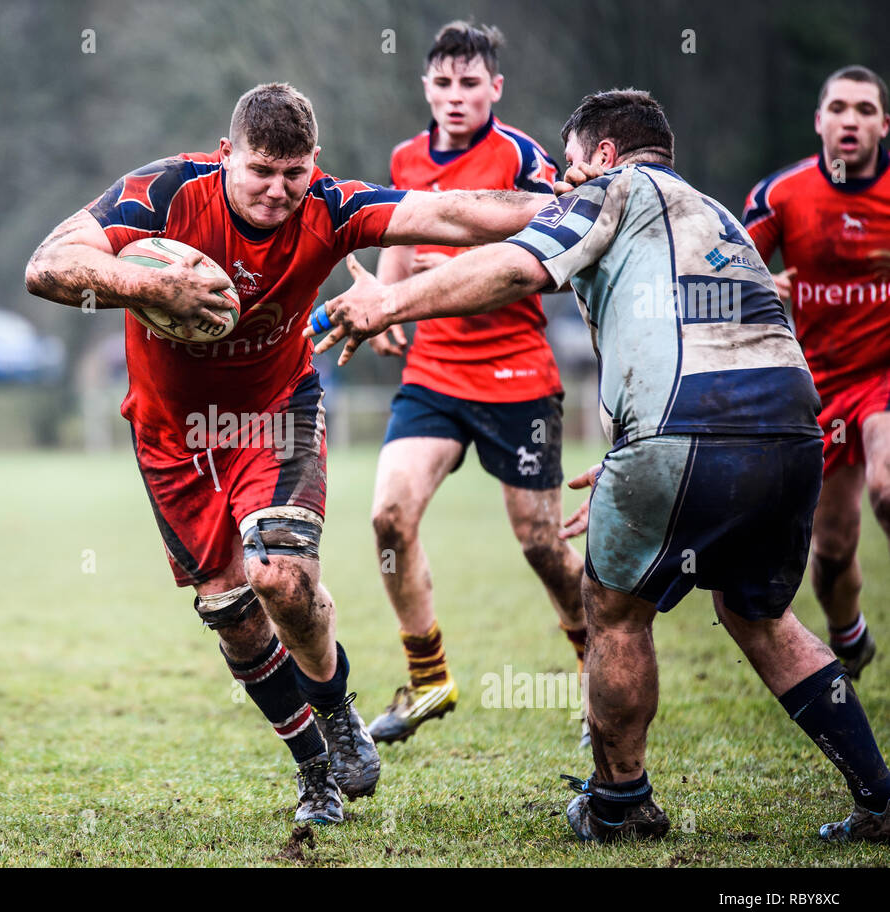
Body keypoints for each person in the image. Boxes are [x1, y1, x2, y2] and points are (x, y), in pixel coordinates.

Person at [311, 89, 890, 843]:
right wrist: (635, 459)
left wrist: (389, 303)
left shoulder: (611, 190)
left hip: (686, 426)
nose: (560, 180)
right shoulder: (715, 214)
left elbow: (513, 268)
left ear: (606, 156)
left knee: (613, 606)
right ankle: (879, 795)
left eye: (570, 164)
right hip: (790, 429)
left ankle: (621, 800)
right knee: (760, 617)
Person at [25, 82, 562, 825]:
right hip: (172, 436)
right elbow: (48, 264)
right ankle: (315, 766)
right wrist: (153, 285)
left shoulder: (332, 207)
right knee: (231, 611)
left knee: (280, 579)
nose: (278, 191)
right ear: (224, 158)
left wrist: (571, 209)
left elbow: (447, 211)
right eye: (260, 172)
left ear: (316, 164)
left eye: (294, 173)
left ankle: (337, 710)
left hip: (276, 415)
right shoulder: (166, 193)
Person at [363, 20, 589, 748]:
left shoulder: (524, 158)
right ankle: (428, 681)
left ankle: (598, 669)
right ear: (425, 86)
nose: (455, 96)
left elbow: (570, 255)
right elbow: (397, 239)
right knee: (389, 518)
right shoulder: (405, 156)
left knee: (541, 543)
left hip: (519, 372)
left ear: (496, 88)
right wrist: (387, 309)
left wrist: (467, 270)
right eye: (443, 83)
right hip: (433, 372)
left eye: (470, 84)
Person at [743, 64, 890, 680]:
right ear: (818, 121)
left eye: (863, 109)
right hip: (821, 387)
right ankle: (847, 635)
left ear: (884, 124)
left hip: (884, 378)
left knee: (889, 489)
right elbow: (717, 271)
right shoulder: (783, 193)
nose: (849, 120)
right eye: (838, 108)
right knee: (829, 554)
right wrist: (754, 283)